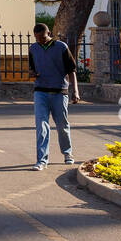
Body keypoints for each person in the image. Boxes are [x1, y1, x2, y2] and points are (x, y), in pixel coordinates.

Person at [28, 23, 80, 171]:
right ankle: (42, 160)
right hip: (40, 92)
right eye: (37, 38)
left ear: (49, 33)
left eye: (43, 37)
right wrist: (32, 74)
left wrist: (75, 91)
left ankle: (67, 153)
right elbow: (32, 69)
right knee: (42, 126)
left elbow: (72, 71)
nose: (41, 41)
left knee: (62, 125)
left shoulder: (61, 47)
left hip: (59, 92)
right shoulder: (33, 48)